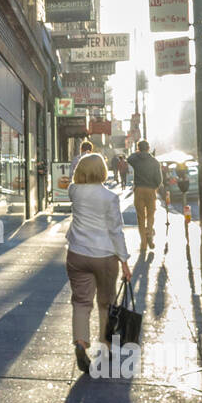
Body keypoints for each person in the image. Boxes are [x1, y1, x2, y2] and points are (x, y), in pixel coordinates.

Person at [66, 153, 132, 373]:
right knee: (106, 301)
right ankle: (105, 345)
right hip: (104, 255)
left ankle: (80, 343)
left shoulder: (74, 192)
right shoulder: (109, 197)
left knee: (81, 302)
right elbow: (116, 230)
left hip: (77, 254)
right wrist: (124, 260)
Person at [127, 139, 163, 250]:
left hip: (139, 190)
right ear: (148, 148)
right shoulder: (154, 161)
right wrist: (155, 187)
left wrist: (138, 153)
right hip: (151, 190)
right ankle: (149, 235)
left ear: (138, 148)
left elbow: (129, 158)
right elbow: (159, 180)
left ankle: (143, 243)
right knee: (151, 215)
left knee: (141, 217)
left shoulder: (135, 160)